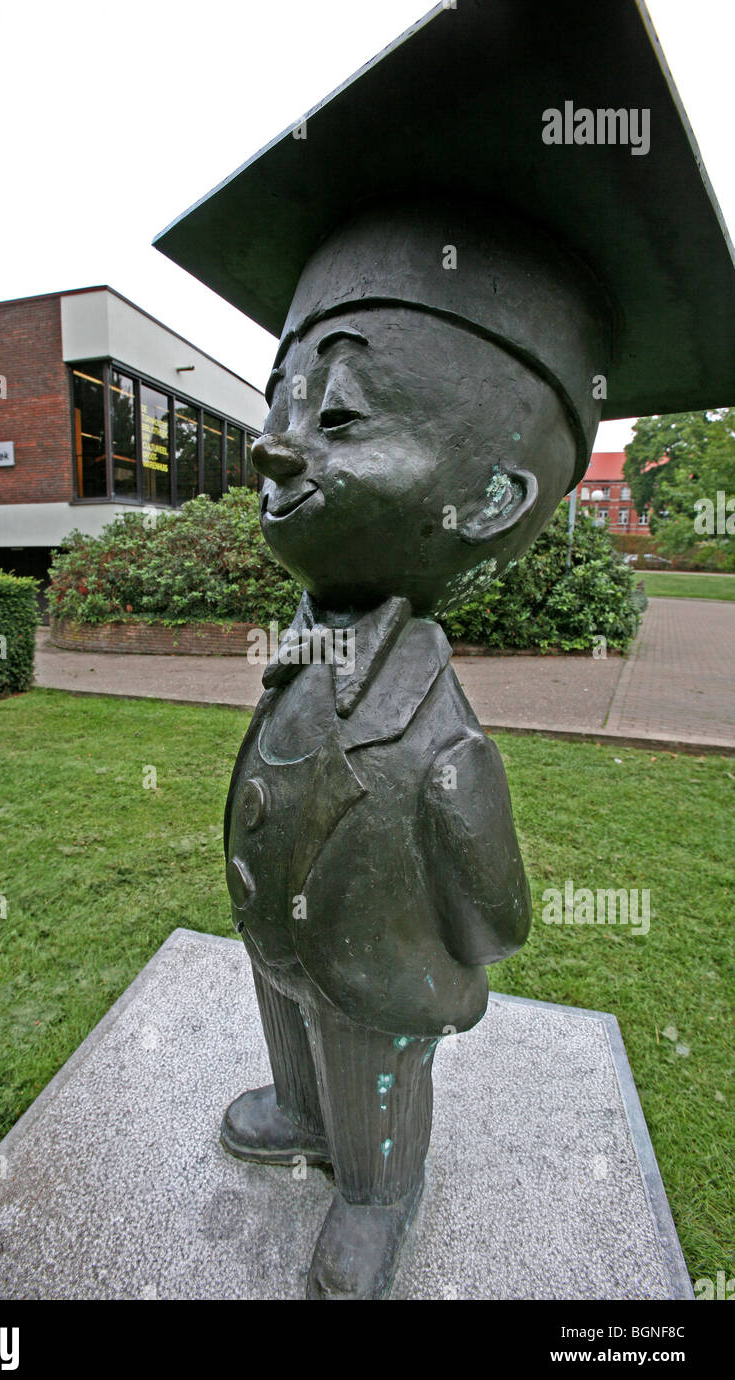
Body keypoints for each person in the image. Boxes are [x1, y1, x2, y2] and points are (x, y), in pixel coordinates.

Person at [220, 196, 611, 1299]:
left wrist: (468, 933)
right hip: (279, 929)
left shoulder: (450, 747)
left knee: (367, 1056)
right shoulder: (299, 652)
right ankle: (300, 1112)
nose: (275, 446)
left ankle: (378, 1190)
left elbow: (500, 909)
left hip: (378, 973)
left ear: (492, 499)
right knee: (291, 1018)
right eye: (283, 408)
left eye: (338, 418)